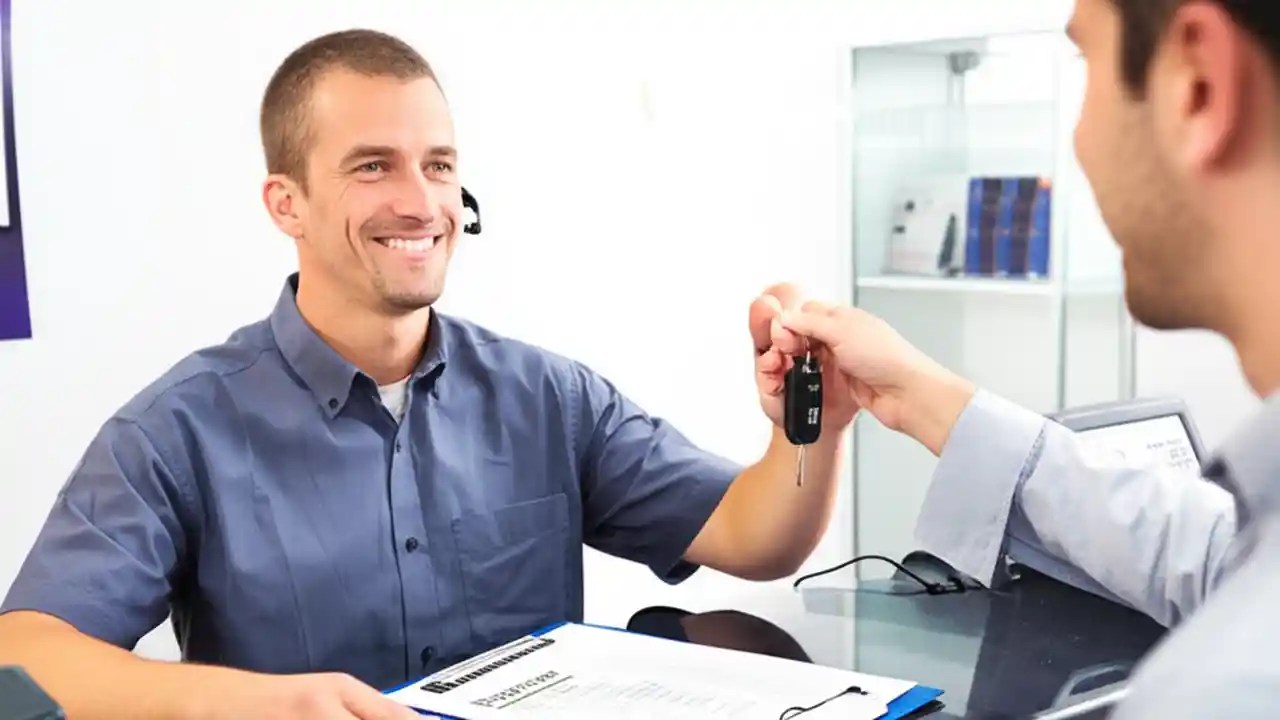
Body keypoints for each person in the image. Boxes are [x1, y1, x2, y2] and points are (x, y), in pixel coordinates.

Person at [0, 29, 856, 720]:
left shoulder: (549, 398)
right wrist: (255, 704)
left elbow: (757, 538)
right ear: (286, 203)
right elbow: (24, 653)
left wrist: (809, 425)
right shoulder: (176, 431)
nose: (420, 202)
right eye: (373, 165)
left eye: (439, 165)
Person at [777, 0, 1280, 716]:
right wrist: (922, 395)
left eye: (1085, 62)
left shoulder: (1225, 691)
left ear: (1197, 85)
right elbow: (1207, 549)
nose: (1077, 140)